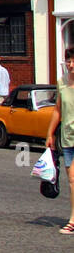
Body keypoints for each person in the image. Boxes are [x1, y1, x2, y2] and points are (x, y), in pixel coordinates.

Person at [46, 48, 74, 234]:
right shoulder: (62, 82)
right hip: (68, 138)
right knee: (72, 180)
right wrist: (50, 134)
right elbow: (58, 110)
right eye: (68, 61)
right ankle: (73, 219)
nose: (71, 65)